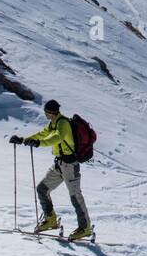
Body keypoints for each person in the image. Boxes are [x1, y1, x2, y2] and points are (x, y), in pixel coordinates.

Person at [9, 100, 93, 240]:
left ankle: (85, 228)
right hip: (60, 165)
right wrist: (23, 140)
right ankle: (50, 220)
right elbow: (42, 134)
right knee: (42, 189)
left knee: (75, 197)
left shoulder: (63, 124)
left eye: (46, 112)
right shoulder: (53, 123)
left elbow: (56, 138)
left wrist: (38, 143)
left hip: (70, 165)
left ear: (49, 112)